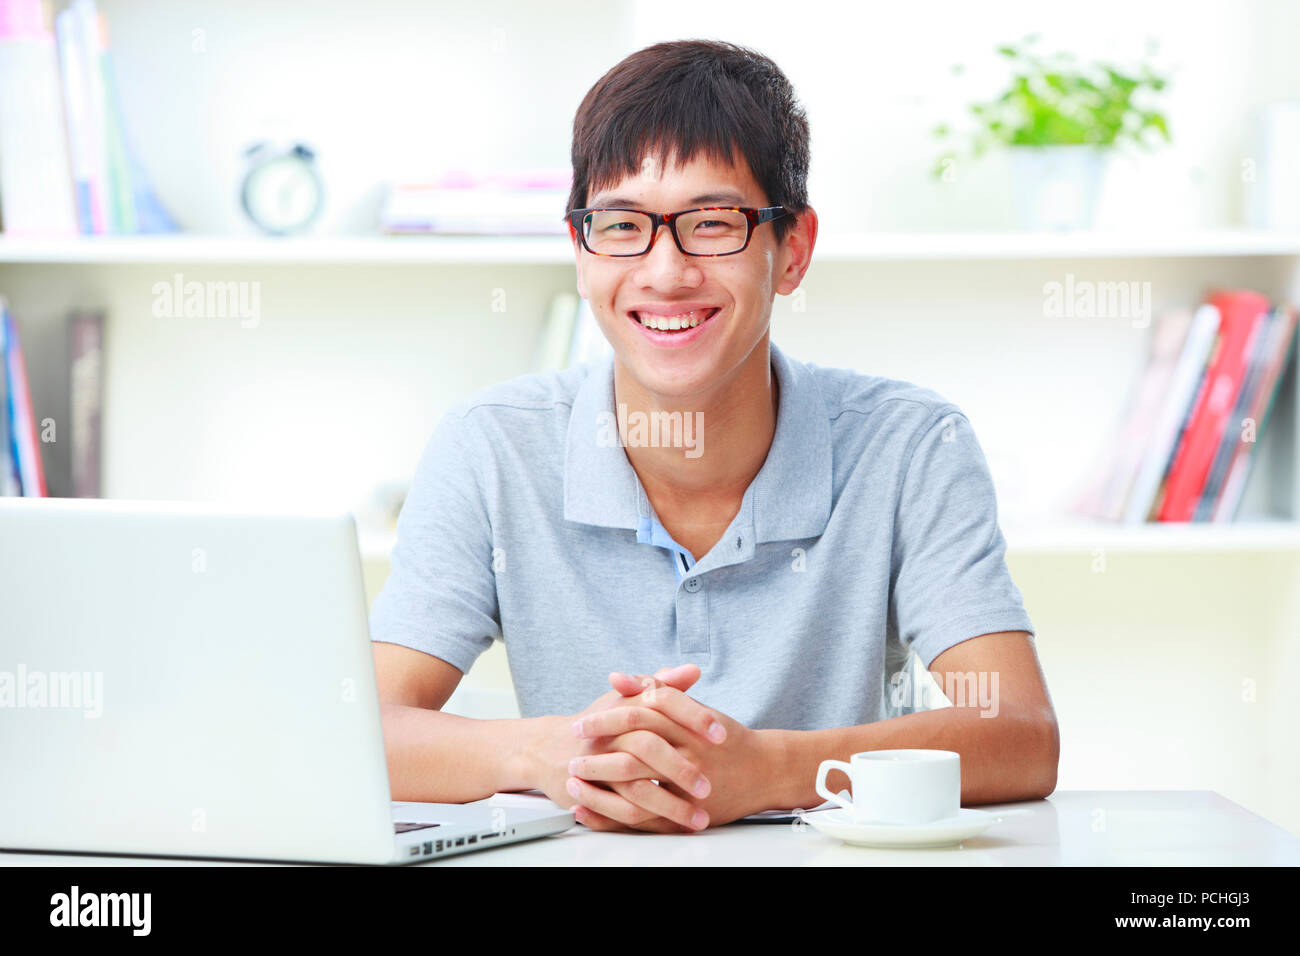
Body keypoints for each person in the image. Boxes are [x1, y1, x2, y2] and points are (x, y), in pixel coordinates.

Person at [369, 38, 1059, 833]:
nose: (665, 273)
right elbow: (363, 728)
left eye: (711, 223)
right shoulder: (490, 447)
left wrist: (767, 771)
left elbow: (1021, 733)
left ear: (792, 251)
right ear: (580, 251)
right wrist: (550, 753)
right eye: (621, 225)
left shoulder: (911, 446)